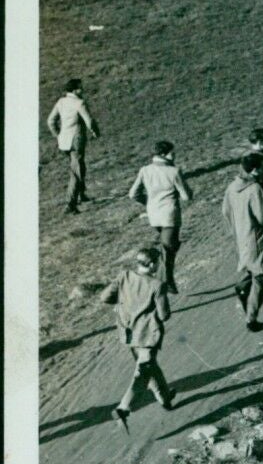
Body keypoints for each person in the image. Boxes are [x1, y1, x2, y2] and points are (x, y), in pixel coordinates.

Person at [102, 245, 174, 429]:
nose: (158, 266)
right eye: (157, 263)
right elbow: (164, 314)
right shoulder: (157, 285)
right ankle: (123, 408)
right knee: (143, 371)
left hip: (128, 333)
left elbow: (105, 297)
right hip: (148, 335)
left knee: (150, 367)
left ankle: (165, 397)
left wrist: (119, 303)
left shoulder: (124, 276)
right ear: (150, 264)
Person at [127, 139, 193, 293]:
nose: (174, 155)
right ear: (164, 154)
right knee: (168, 249)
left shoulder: (145, 170)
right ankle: (164, 282)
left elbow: (133, 194)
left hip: (154, 216)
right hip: (170, 216)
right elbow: (186, 196)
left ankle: (163, 279)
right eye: (172, 152)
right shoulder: (174, 171)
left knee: (168, 247)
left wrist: (148, 202)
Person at [222, 156, 263, 330]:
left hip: (240, 237)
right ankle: (251, 319)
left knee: (250, 269)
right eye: (260, 169)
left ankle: (243, 287)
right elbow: (262, 217)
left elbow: (225, 211)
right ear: (254, 170)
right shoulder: (255, 189)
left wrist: (235, 230)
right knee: (260, 278)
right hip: (256, 238)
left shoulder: (231, 187)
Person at [47, 78, 100, 213]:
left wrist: (57, 135)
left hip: (64, 142)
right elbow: (89, 121)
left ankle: (81, 195)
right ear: (75, 90)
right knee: (76, 172)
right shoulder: (79, 103)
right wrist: (95, 132)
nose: (82, 90)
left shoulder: (61, 102)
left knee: (79, 166)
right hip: (76, 141)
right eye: (80, 88)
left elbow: (50, 121)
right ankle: (70, 204)